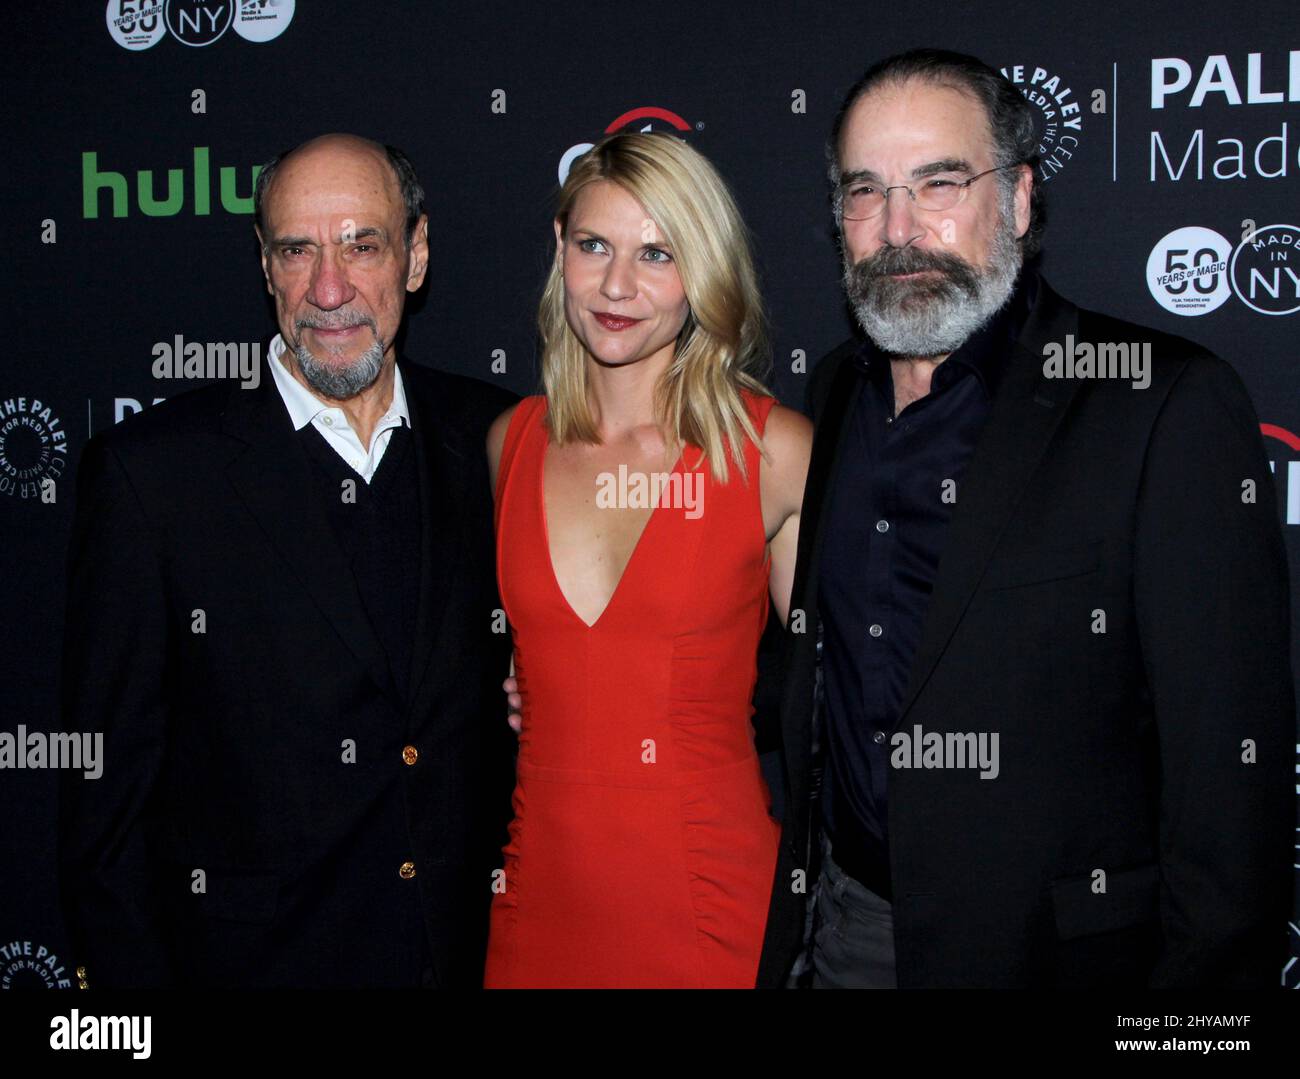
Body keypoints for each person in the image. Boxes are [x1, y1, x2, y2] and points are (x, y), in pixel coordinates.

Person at [757, 49, 1294, 989]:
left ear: (1017, 200)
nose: (898, 229)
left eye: (939, 184)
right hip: (845, 936)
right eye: (865, 191)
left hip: (1055, 962)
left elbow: (1228, 798)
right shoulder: (835, 390)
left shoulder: (1160, 404)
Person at [58, 134, 518, 988]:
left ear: (416, 255)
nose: (329, 288)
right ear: (266, 267)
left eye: (362, 244)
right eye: (297, 250)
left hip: (473, 959)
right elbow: (105, 802)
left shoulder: (502, 439)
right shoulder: (154, 475)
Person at [484, 132, 812, 988]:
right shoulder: (510, 444)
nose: (617, 285)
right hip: (536, 901)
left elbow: (845, 689)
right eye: (594, 245)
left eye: (656, 253)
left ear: (702, 272)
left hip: (708, 903)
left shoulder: (768, 451)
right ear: (561, 251)